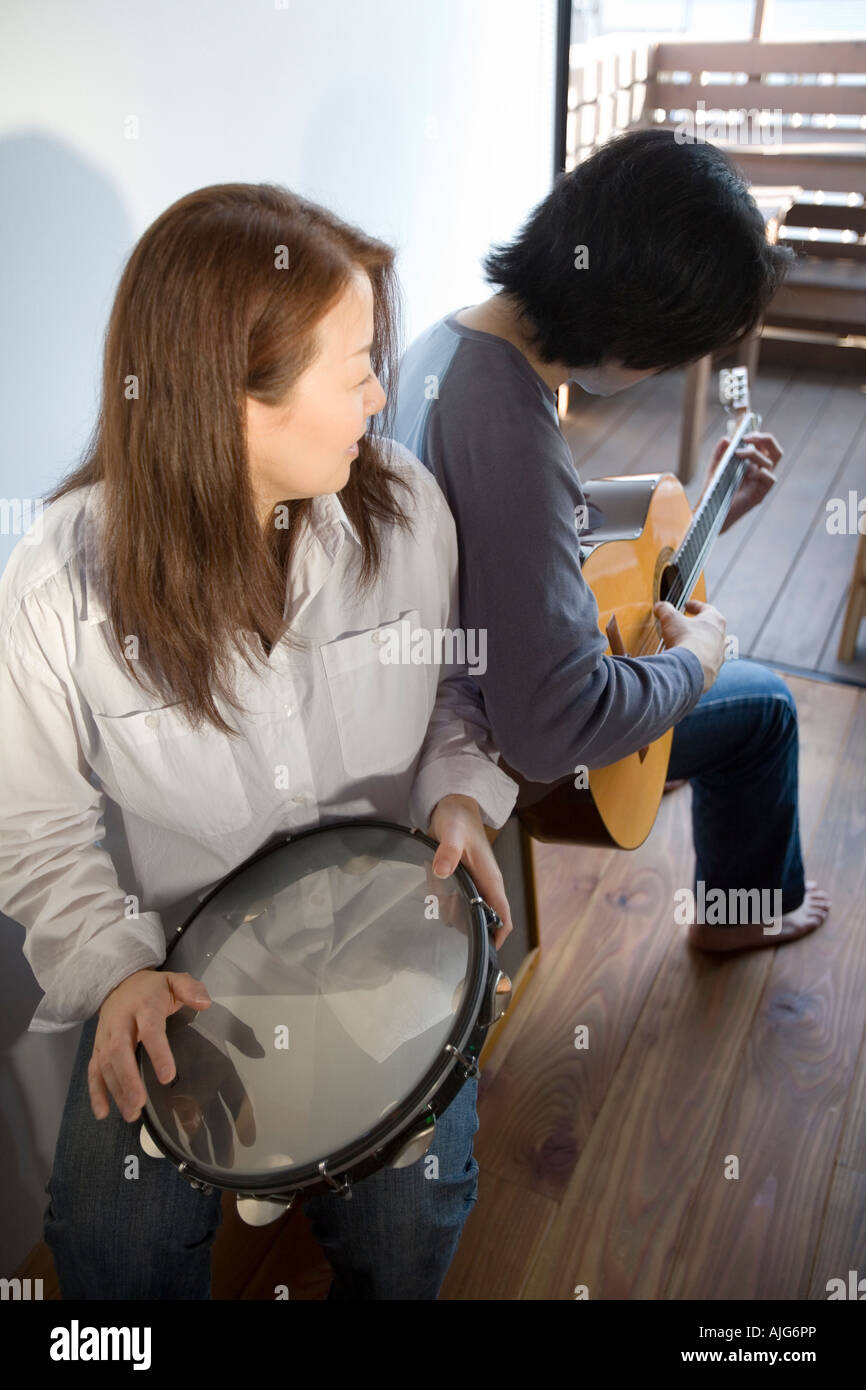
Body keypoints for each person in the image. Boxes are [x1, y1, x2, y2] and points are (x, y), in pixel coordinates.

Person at [0, 182, 519, 1300]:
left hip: (387, 948)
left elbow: (452, 697)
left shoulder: (407, 514)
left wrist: (457, 795)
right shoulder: (58, 585)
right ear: (231, 401)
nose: (383, 394)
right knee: (110, 1246)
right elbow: (33, 827)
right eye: (358, 369)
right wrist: (118, 971)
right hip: (184, 983)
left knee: (403, 1220)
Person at [392, 128, 830, 951]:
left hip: (433, 695)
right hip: (477, 752)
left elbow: (531, 551)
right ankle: (741, 917)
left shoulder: (453, 343)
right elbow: (556, 725)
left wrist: (704, 516)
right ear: (634, 335)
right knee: (764, 704)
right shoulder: (514, 431)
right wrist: (694, 665)